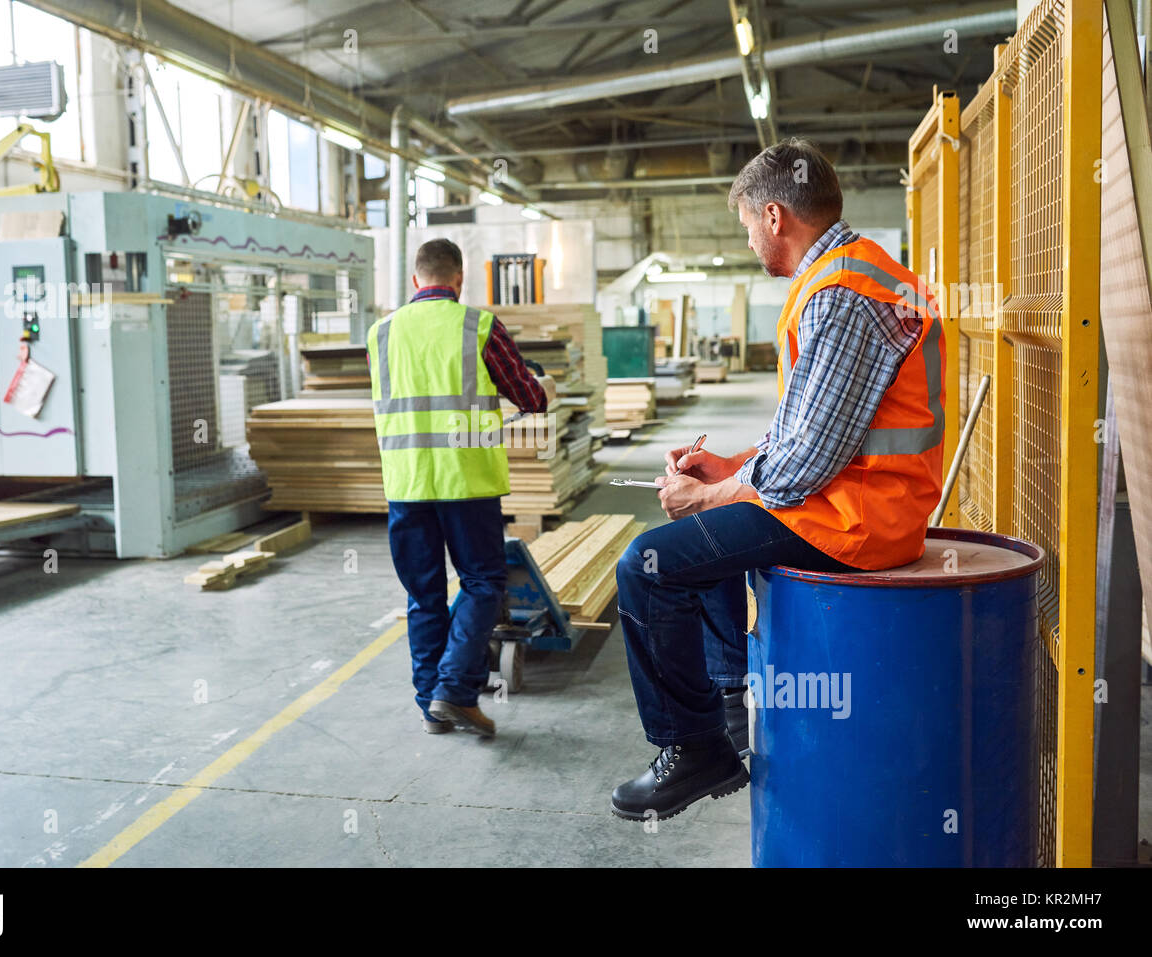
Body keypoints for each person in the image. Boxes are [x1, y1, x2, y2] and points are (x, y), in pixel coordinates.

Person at [609, 137, 947, 821]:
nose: (747, 242)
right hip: (849, 501)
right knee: (702, 542)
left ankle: (693, 745)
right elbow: (806, 433)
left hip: (858, 519)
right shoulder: (846, 277)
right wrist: (732, 468)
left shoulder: (844, 293)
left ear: (773, 217)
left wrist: (708, 494)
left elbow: (811, 459)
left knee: (647, 567)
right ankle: (729, 703)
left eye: (744, 226)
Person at [368, 239, 556, 737]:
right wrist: (543, 388)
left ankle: (433, 704)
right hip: (467, 482)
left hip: (406, 485)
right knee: (480, 582)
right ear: (459, 280)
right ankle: (453, 689)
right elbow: (529, 397)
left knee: (423, 595)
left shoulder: (381, 333)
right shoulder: (478, 325)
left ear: (416, 280)